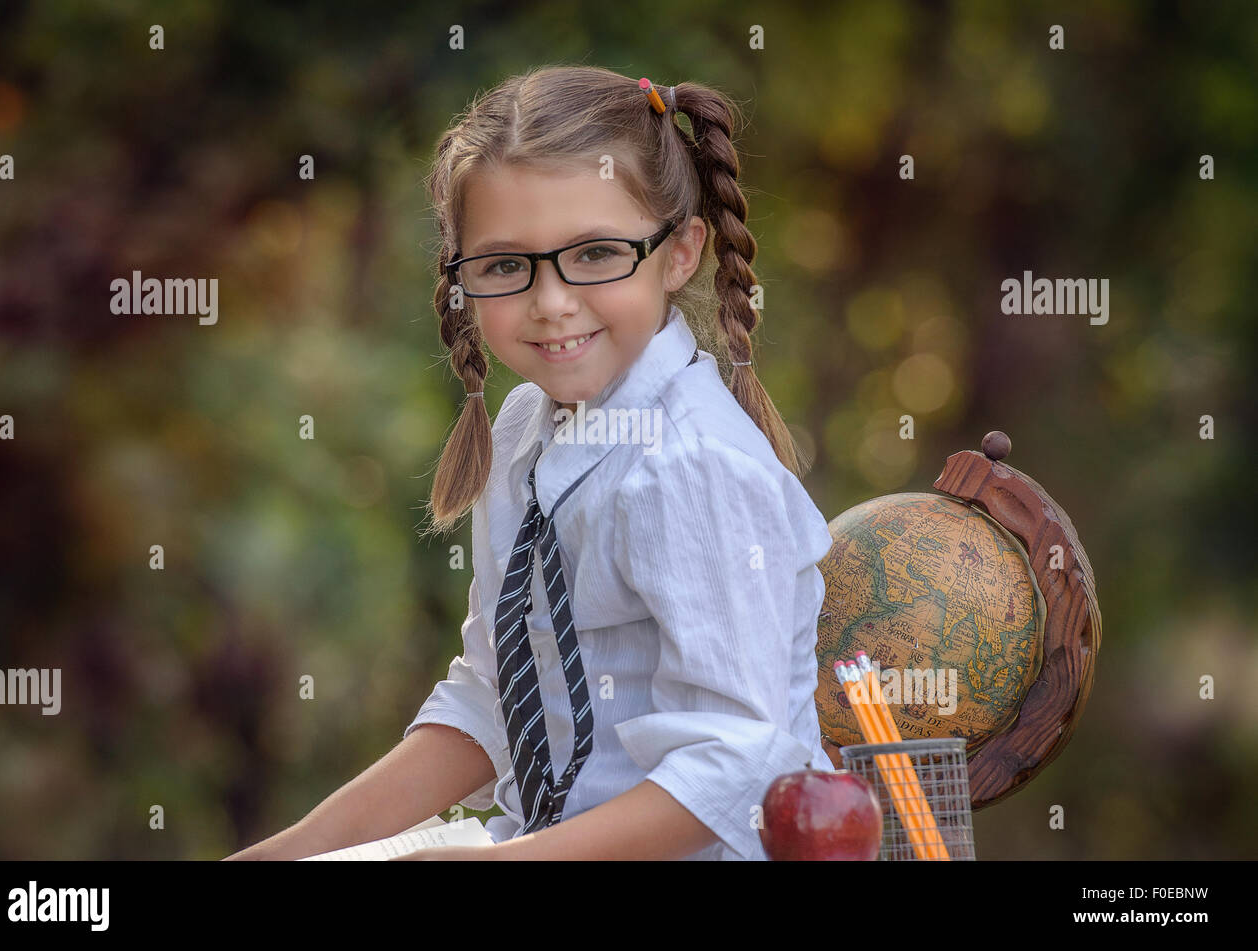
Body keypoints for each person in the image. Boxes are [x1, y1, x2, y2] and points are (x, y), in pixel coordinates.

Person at [225, 65, 835, 862]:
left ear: (680, 253)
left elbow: (735, 765)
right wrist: (293, 850)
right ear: (461, 278)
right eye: (507, 266)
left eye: (595, 254)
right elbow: (493, 699)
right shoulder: (524, 431)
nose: (551, 301)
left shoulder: (690, 465)